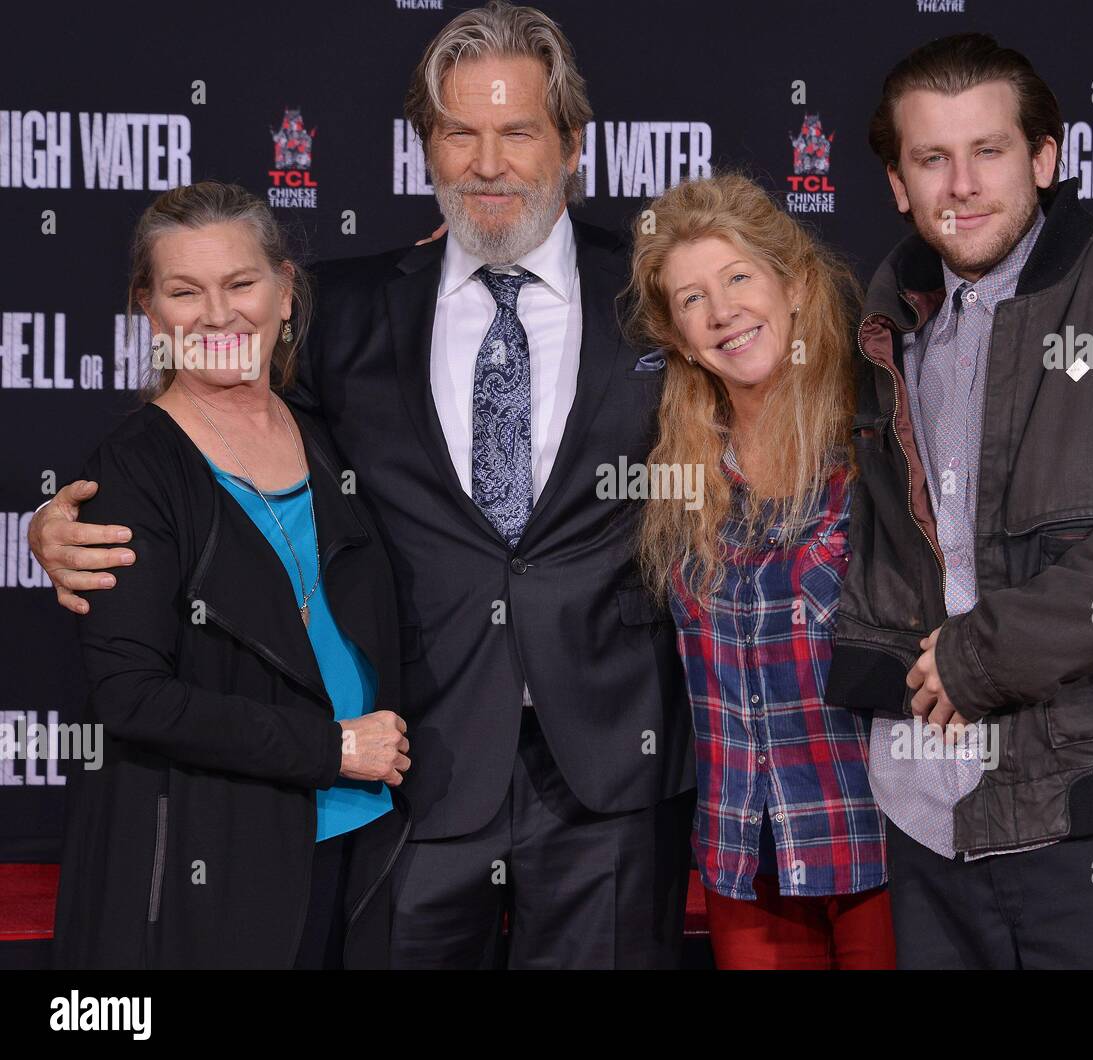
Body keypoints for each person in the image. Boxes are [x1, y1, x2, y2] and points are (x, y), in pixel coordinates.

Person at [32, 1, 694, 969]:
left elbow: (778, 424)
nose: (488, 162)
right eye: (459, 133)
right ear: (426, 147)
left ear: (573, 143)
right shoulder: (341, 311)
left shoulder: (659, 297)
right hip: (415, 769)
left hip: (612, 775)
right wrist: (62, 517)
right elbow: (205, 423)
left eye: (517, 132)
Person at [824, 32, 1093, 968]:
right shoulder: (890, 310)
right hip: (928, 823)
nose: (963, 184)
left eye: (990, 151)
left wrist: (985, 654)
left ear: (1045, 159)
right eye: (932, 159)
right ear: (899, 183)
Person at [50, 181, 411, 969]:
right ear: (149, 309)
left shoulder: (328, 431)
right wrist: (329, 748)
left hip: (364, 837)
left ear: (285, 291)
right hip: (217, 865)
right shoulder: (133, 471)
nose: (218, 315)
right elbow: (131, 697)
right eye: (185, 291)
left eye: (241, 284)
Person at [624, 173, 894, 969]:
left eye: (738, 277)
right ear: (675, 334)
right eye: (691, 299)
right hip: (746, 858)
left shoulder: (882, 443)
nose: (722, 312)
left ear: (798, 286)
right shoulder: (675, 480)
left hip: (880, 842)